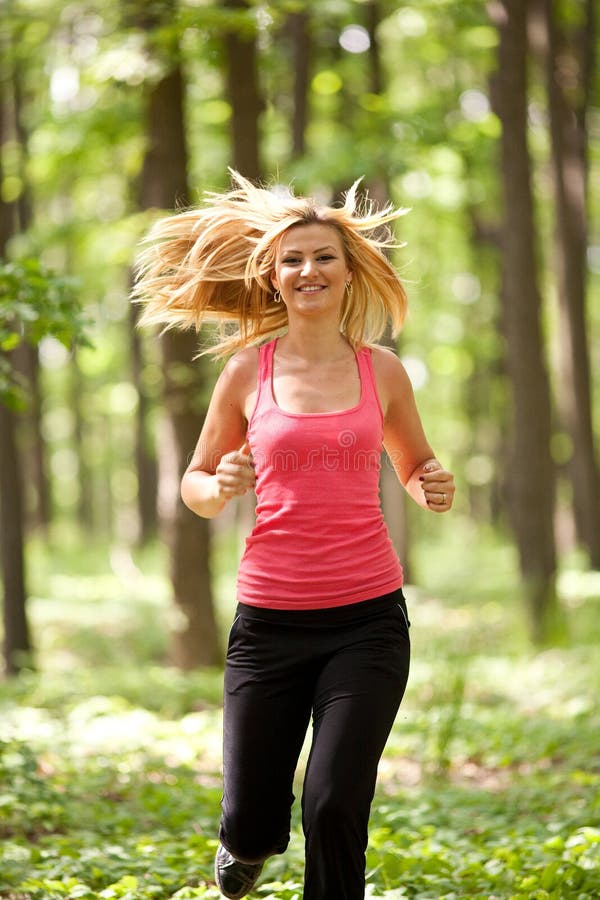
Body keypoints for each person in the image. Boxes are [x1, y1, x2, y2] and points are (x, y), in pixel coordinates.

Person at [133, 171, 455, 900]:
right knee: (252, 818)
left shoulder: (384, 372)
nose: (308, 270)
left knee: (335, 801)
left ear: (348, 272)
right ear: (273, 278)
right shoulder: (249, 371)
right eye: (293, 260)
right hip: (269, 625)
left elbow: (415, 463)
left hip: (368, 621)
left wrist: (433, 483)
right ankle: (245, 849)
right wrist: (214, 489)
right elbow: (197, 478)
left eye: (323, 258)